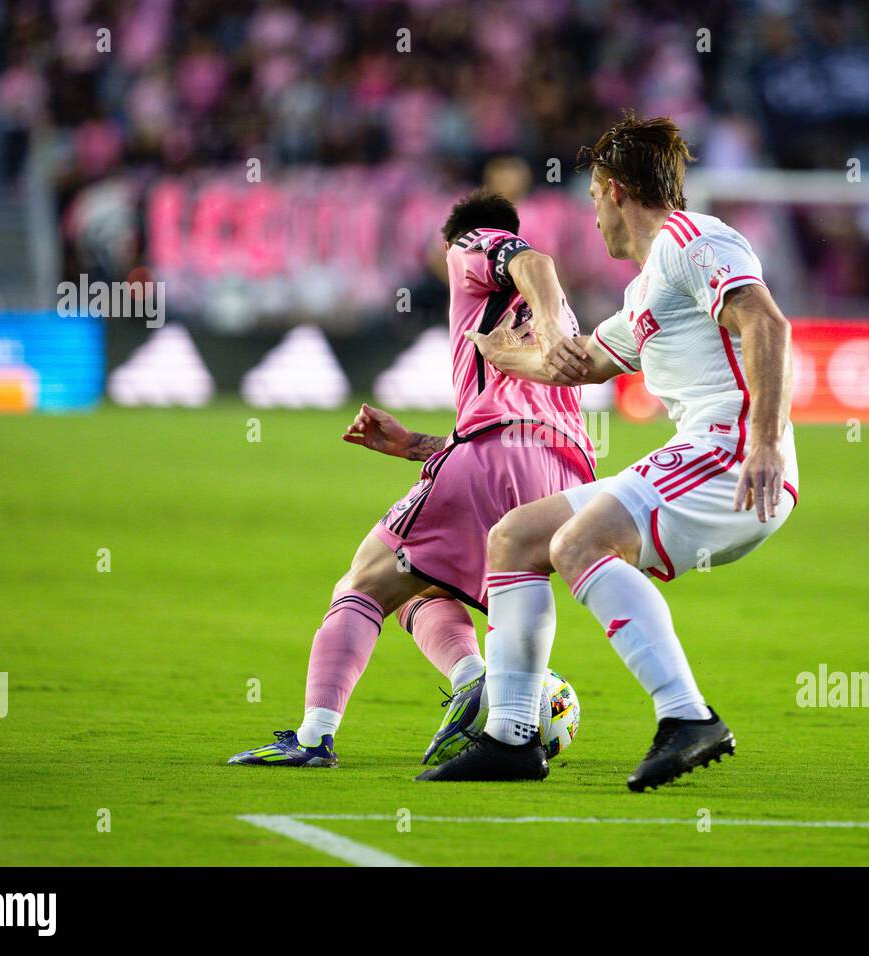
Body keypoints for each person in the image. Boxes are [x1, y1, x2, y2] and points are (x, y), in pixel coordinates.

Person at [418, 113, 799, 790]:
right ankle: (511, 739)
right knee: (516, 538)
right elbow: (585, 363)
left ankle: (686, 717)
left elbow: (766, 322)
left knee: (577, 545)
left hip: (733, 454)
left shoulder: (694, 238)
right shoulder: (649, 284)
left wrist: (766, 442)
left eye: (593, 196)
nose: (591, 215)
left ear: (616, 190)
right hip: (706, 456)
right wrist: (508, 355)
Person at [229, 190, 597, 767]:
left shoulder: (472, 248)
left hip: (495, 455)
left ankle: (312, 738)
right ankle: (483, 688)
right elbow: (521, 413)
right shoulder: (559, 311)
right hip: (562, 480)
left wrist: (547, 332)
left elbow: (535, 261)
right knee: (422, 585)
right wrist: (413, 446)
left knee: (361, 586)